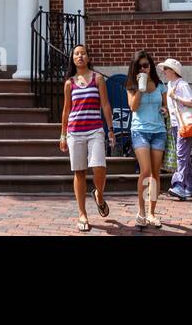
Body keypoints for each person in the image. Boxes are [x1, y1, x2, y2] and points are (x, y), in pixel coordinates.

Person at [59, 44, 114, 232]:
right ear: (73, 59)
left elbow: (105, 105)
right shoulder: (69, 83)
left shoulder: (98, 78)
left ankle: (99, 193)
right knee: (79, 172)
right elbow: (66, 111)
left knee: (99, 166)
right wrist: (63, 135)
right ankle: (82, 213)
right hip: (75, 131)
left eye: (83, 53)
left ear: (88, 58)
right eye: (76, 54)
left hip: (95, 129)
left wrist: (111, 130)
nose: (80, 56)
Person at [125, 50, 166, 228]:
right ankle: (141, 212)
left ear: (151, 66)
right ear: (135, 68)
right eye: (140, 66)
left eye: (146, 65)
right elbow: (133, 108)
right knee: (146, 171)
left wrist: (165, 110)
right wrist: (140, 88)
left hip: (158, 131)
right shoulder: (131, 85)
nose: (144, 68)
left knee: (155, 174)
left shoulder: (160, 84)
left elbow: (165, 106)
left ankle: (151, 213)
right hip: (140, 131)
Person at [159, 58, 192, 200]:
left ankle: (179, 185)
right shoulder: (170, 84)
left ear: (172, 71)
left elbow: (191, 102)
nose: (163, 72)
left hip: (184, 125)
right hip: (175, 124)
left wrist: (175, 97)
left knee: (181, 155)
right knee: (184, 156)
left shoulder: (182, 85)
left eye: (166, 69)